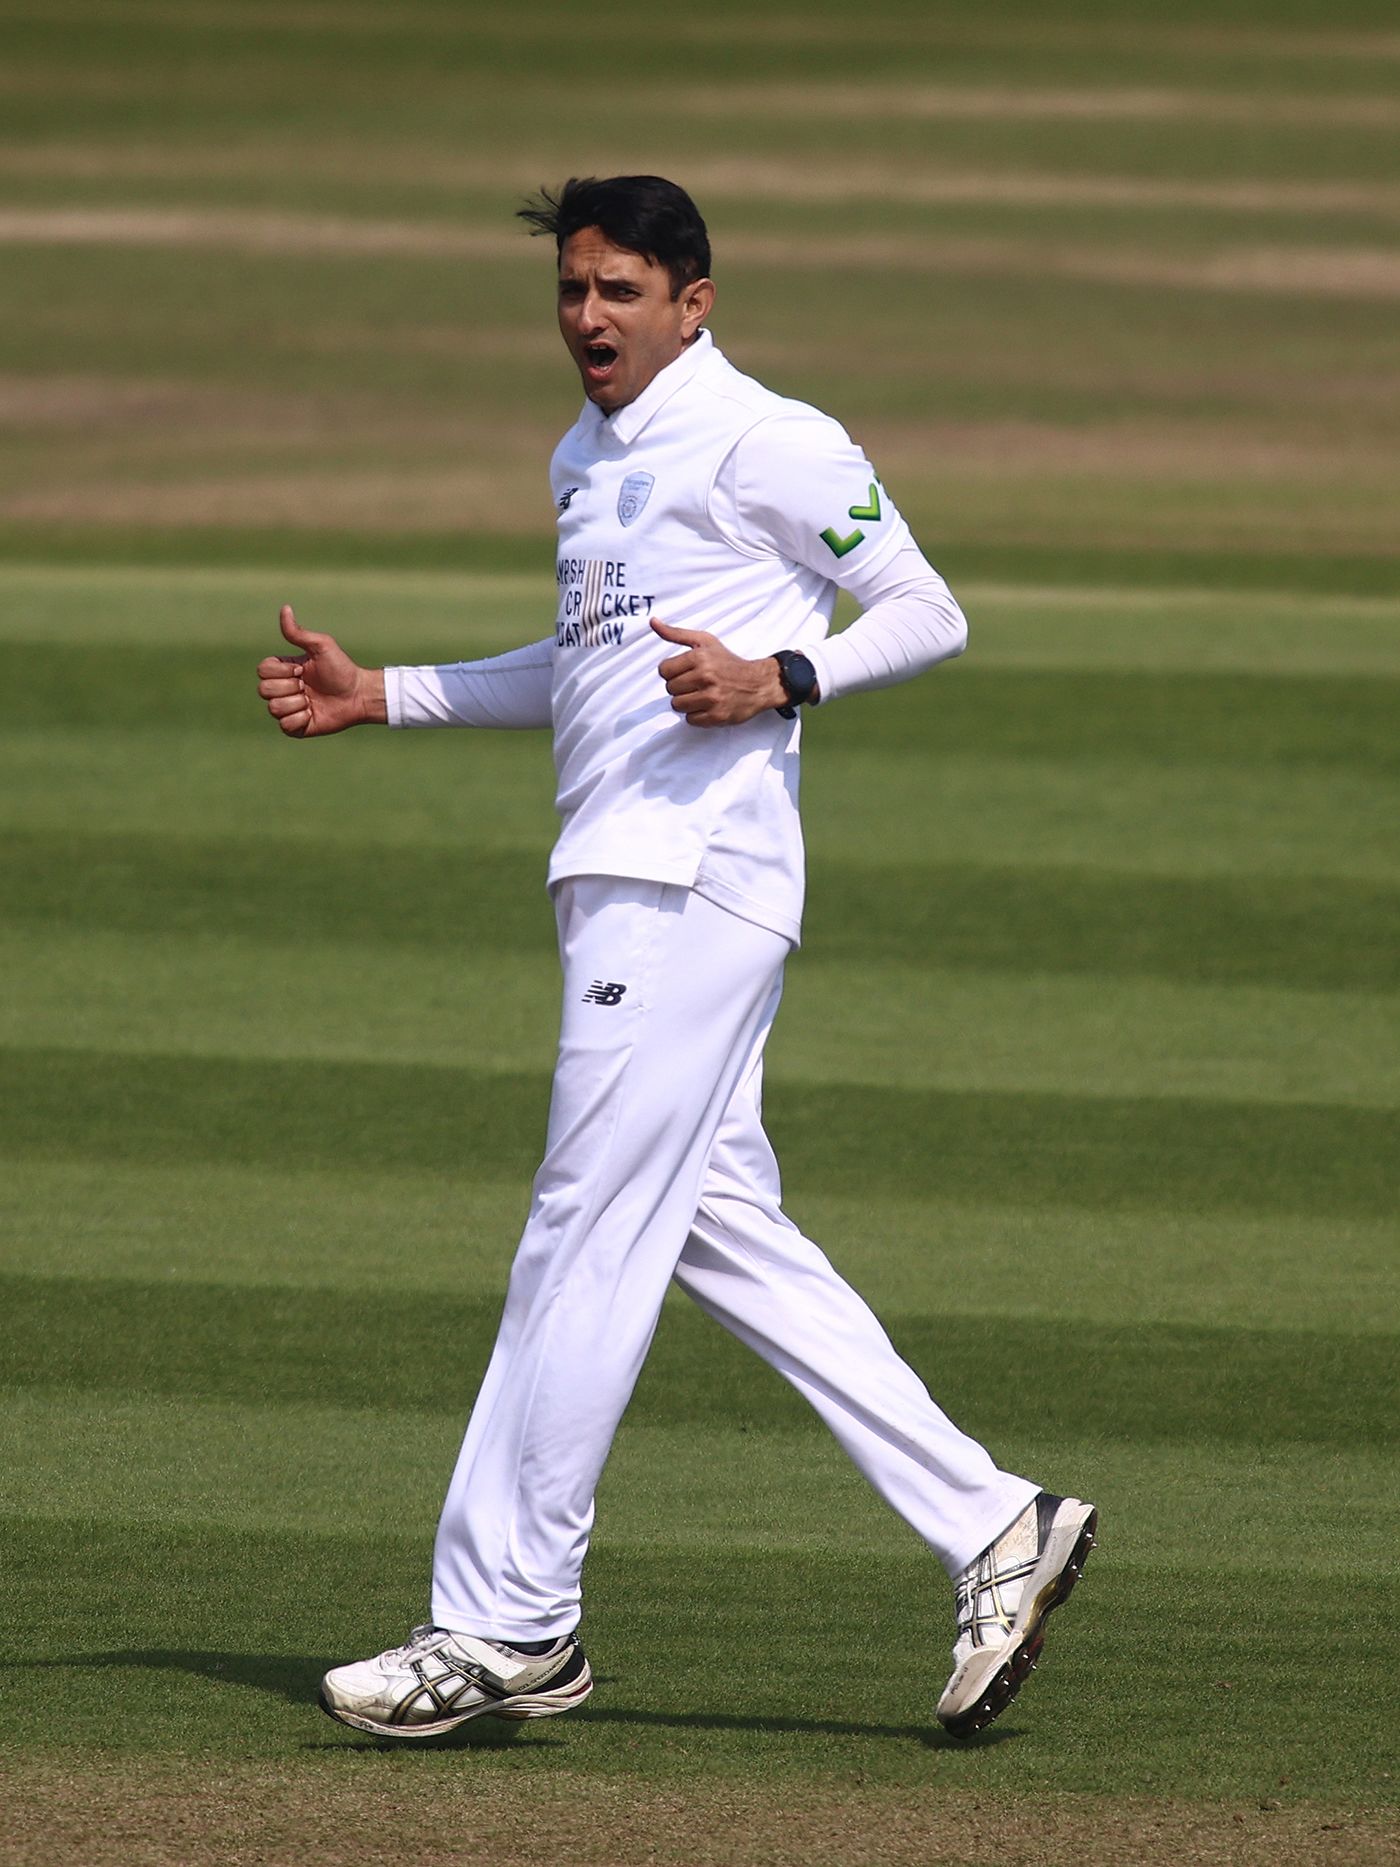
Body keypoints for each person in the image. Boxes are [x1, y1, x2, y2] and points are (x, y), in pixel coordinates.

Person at [256, 175, 1096, 1743]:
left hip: (693, 881)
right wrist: (388, 693)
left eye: (622, 291)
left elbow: (926, 610)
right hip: (616, 881)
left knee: (581, 1229)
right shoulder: (586, 456)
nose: (589, 317)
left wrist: (782, 674)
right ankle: (994, 1520)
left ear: (693, 303)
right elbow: (585, 669)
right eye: (573, 290)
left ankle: (508, 1622)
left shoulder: (771, 439)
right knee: (712, 1223)